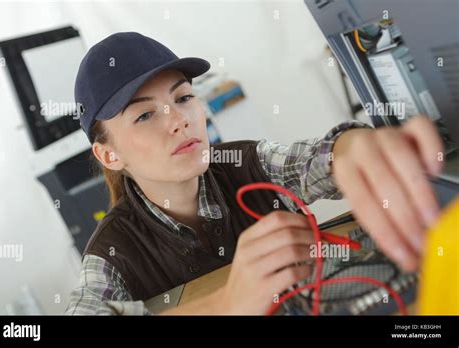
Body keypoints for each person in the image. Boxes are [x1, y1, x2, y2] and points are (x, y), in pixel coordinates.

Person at [65, 32, 444, 315]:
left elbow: (318, 159)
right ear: (108, 154)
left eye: (182, 98)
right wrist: (224, 305)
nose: (179, 121)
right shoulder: (112, 253)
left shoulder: (244, 162)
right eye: (145, 115)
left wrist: (353, 147)